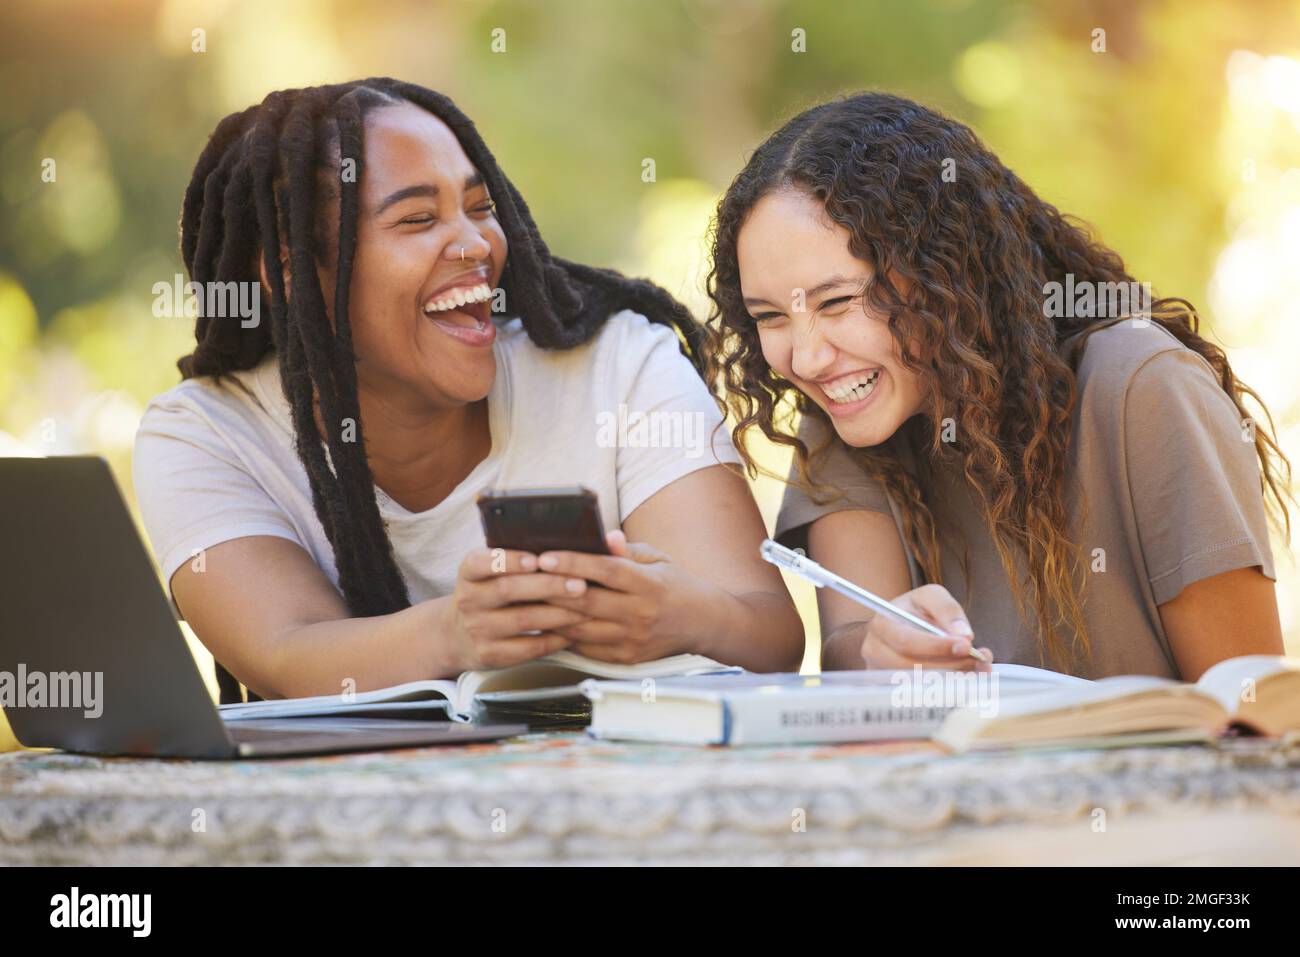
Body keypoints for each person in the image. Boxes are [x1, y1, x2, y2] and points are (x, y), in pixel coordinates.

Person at [133, 79, 803, 701]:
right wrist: (454, 634)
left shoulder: (618, 362)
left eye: (480, 207)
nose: (476, 243)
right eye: (418, 220)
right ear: (289, 272)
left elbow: (770, 633)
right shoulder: (207, 433)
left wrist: (676, 613)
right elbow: (284, 652)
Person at [703, 91, 1290, 680]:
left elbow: (1250, 703)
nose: (805, 357)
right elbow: (851, 641)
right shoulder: (844, 406)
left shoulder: (1142, 388)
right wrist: (890, 645)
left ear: (944, 270)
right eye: (769, 315)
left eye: (837, 301)